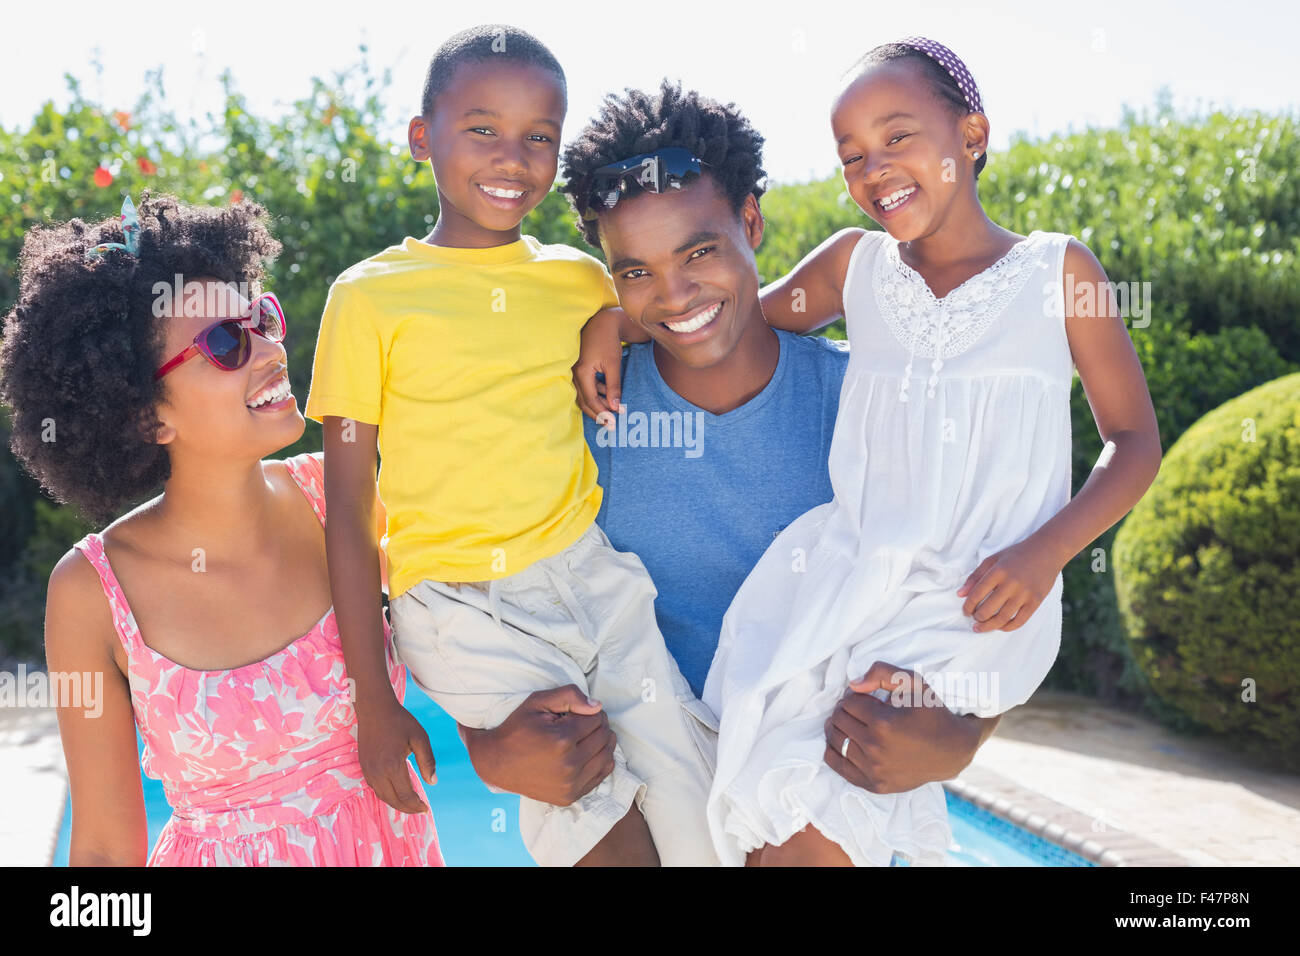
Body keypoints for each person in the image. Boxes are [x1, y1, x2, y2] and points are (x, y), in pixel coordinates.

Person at [474, 81, 1005, 860]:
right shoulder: (583, 415)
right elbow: (466, 569)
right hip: (641, 768)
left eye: (699, 252)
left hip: (815, 773)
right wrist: (486, 747)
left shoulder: (874, 401)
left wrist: (963, 733)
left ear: (751, 222)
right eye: (637, 273)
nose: (677, 294)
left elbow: (991, 570)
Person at [692, 37, 1163, 866]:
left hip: (978, 598)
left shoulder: (1059, 271)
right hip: (846, 579)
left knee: (828, 808)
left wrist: (1046, 553)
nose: (875, 168)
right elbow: (728, 327)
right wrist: (607, 321)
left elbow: (1134, 443)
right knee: (767, 808)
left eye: (897, 136)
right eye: (852, 156)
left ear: (971, 134)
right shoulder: (854, 266)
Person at [303, 25, 716, 868]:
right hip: (463, 611)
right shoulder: (369, 299)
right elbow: (346, 508)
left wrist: (608, 319)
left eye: (539, 137)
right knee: (600, 835)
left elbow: (650, 308)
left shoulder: (579, 278)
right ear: (423, 137)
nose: (511, 156)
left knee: (702, 826)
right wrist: (372, 700)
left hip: (596, 583)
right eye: (482, 128)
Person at [2, 194, 443, 865]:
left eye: (260, 318)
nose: (269, 350)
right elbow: (101, 849)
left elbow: (469, 627)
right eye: (225, 343)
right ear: (146, 416)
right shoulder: (92, 591)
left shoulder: (339, 496)